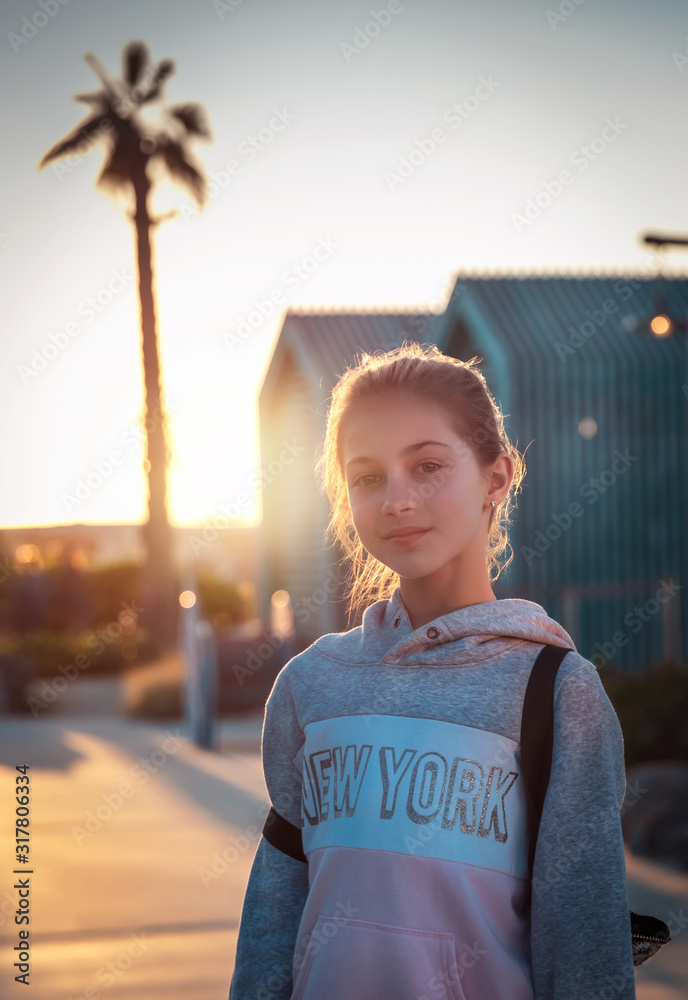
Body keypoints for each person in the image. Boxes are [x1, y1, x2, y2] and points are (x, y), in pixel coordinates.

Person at [228, 342, 636, 1000]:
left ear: (497, 478)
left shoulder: (556, 690)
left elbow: (584, 939)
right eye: (366, 477)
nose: (396, 499)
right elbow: (274, 917)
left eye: (427, 466)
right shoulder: (311, 685)